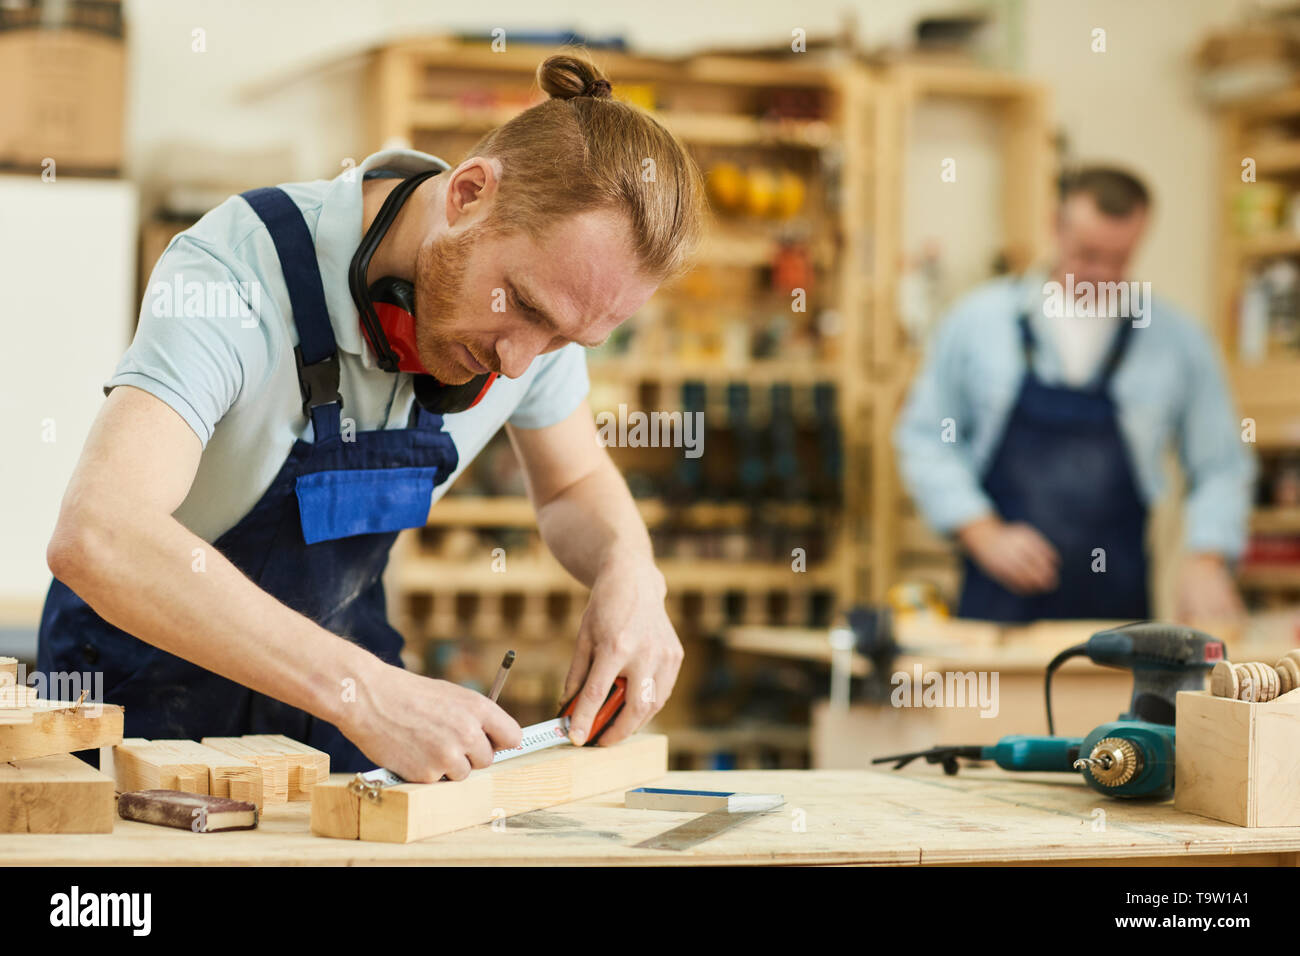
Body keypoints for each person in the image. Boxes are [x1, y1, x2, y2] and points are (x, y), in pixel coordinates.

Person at [39, 55, 704, 778]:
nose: (520, 363)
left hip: (337, 718)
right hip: (139, 704)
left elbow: (574, 483)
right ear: (470, 194)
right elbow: (99, 534)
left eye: (565, 339)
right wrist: (364, 692)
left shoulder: (542, 323)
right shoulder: (235, 272)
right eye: (524, 305)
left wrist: (631, 569)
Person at [893, 166, 1254, 623]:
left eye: (1119, 259)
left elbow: (1221, 465)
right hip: (995, 614)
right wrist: (981, 532)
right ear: (1055, 227)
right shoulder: (977, 324)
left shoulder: (1177, 342)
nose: (1100, 273)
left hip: (1116, 613)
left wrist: (1207, 559)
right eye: (1087, 254)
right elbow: (925, 439)